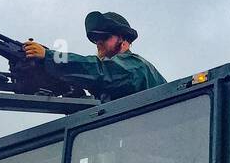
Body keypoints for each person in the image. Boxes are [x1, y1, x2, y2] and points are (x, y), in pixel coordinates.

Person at [22, 11, 165, 102]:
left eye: (105, 36)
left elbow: (99, 72)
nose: (99, 42)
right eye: (96, 38)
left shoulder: (135, 67)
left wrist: (48, 56)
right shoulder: (111, 84)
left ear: (123, 40)